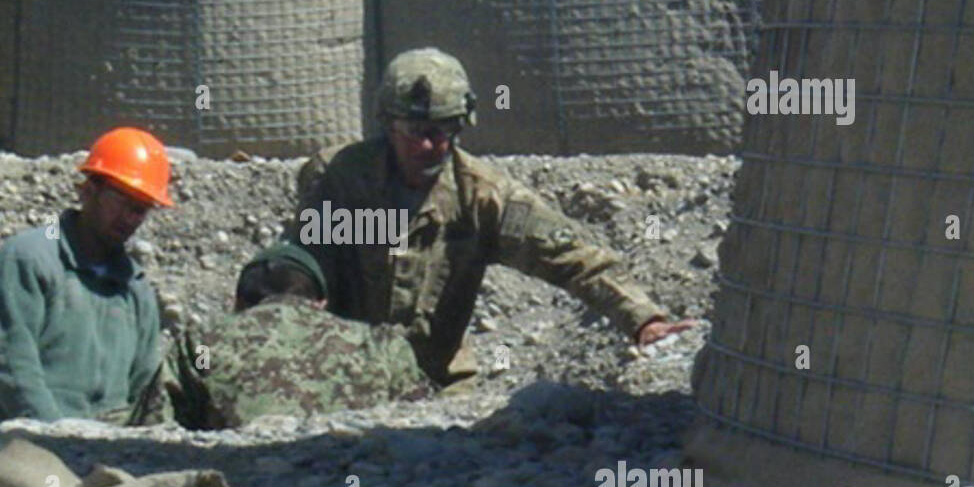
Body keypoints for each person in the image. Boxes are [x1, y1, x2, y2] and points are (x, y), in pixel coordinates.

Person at [289, 47, 696, 385]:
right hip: (341, 379)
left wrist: (643, 320)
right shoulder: (338, 179)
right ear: (387, 125)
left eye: (445, 129)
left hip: (438, 384)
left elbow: (572, 258)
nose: (432, 144)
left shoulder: (482, 196)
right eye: (416, 130)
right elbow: (298, 266)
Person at [0, 126, 173, 422]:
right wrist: (60, 439)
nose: (129, 218)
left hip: (109, 451)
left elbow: (144, 386)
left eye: (140, 209)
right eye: (120, 200)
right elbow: (11, 365)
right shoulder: (29, 259)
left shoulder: (135, 287)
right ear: (88, 191)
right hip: (25, 450)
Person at [157, 242, 432, 429]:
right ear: (321, 303)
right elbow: (419, 423)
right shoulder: (380, 345)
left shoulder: (203, 345)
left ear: (238, 302)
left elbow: (158, 425)